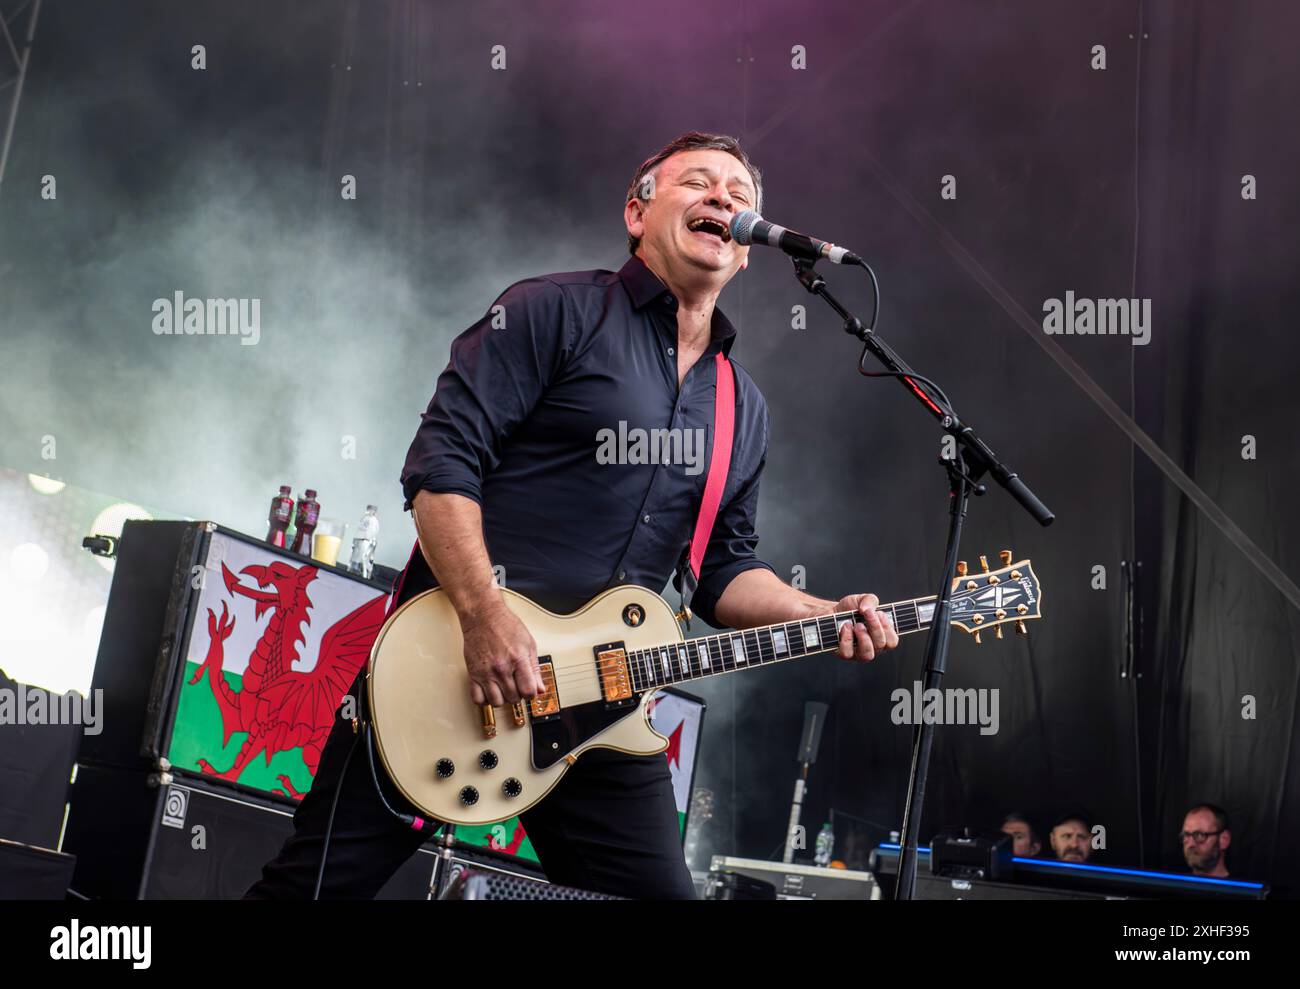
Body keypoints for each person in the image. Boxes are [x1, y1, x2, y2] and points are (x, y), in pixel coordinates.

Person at [245, 131, 900, 900]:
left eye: (741, 195)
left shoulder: (740, 407)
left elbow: (723, 572)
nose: (724, 199)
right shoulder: (550, 311)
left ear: (750, 249)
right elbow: (439, 465)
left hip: (605, 712)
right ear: (637, 212)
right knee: (311, 889)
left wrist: (822, 611)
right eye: (698, 182)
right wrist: (484, 612)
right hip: (451, 668)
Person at [1180, 803, 1231, 878]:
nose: (1190, 844)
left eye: (1200, 835)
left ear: (1224, 840)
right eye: (1186, 835)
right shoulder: (1174, 885)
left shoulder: (1241, 888)